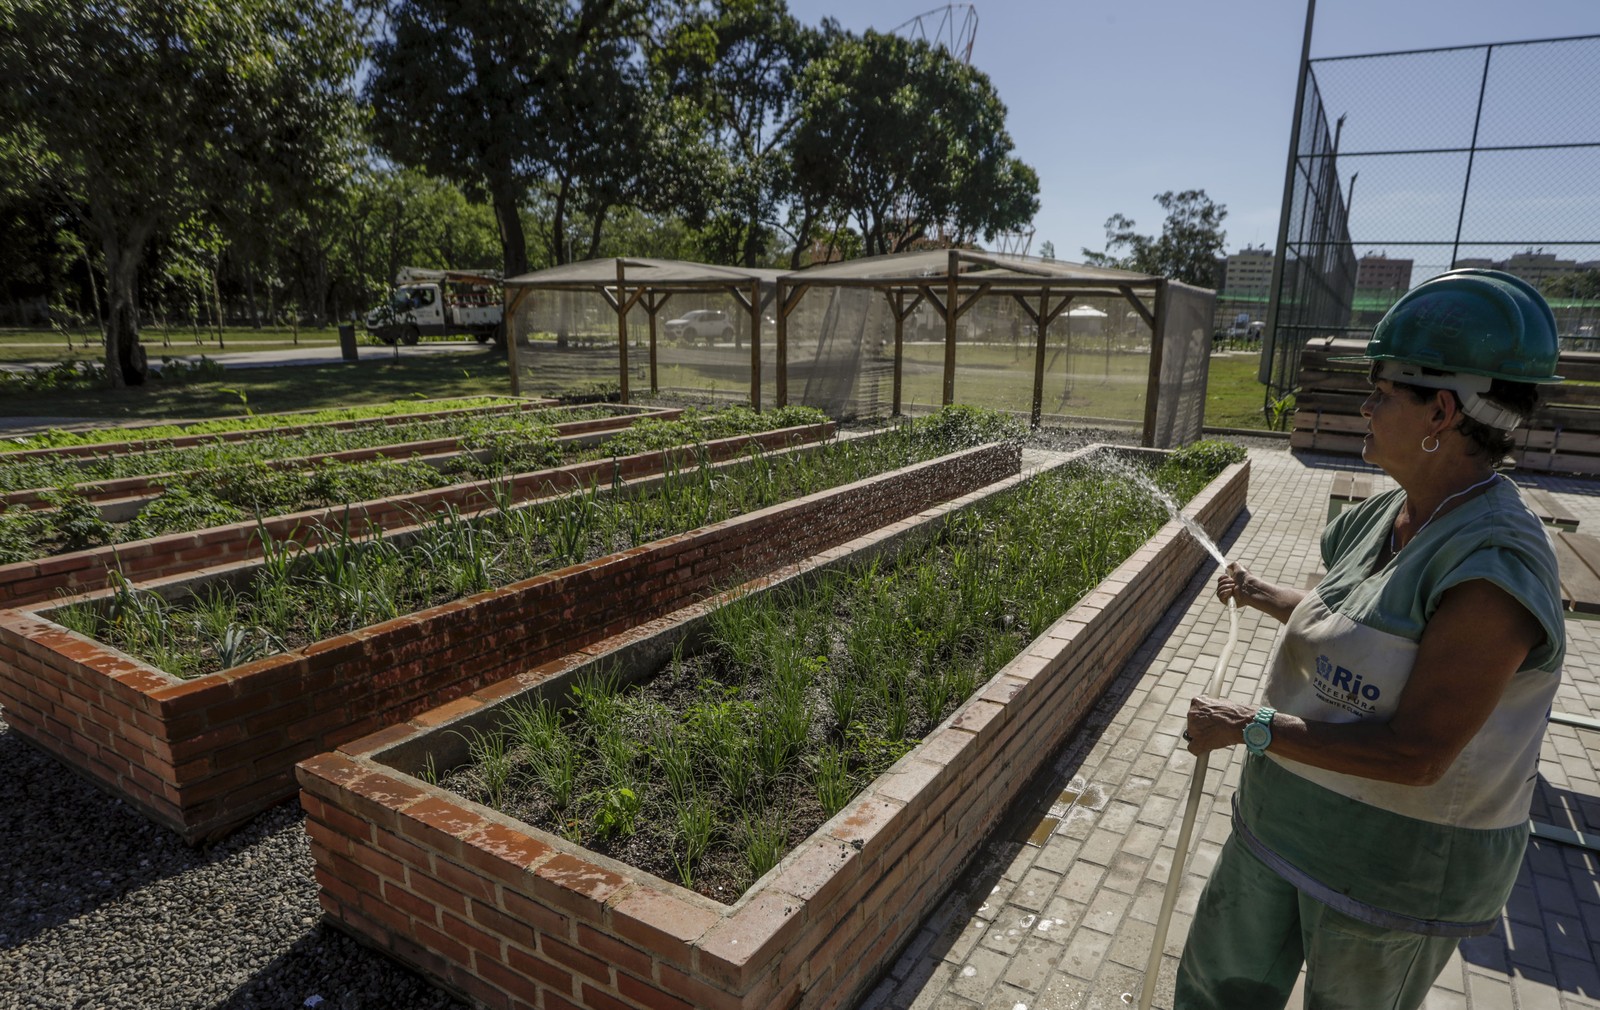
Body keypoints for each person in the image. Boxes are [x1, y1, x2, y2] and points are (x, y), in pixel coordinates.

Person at [1175, 269, 1568, 1010]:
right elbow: (1355, 614)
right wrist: (1263, 594)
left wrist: (1247, 727)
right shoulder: (1395, 509)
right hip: (1279, 831)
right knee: (1211, 994)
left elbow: (1416, 756)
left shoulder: (1492, 567)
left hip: (1387, 878)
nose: (1364, 405)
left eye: (1382, 392)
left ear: (1442, 411)